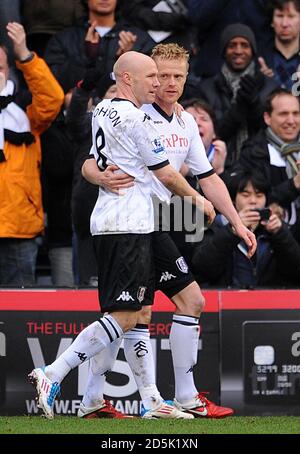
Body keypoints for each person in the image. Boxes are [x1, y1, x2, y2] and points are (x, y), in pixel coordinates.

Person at [28, 50, 219, 420]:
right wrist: (199, 201)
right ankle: (53, 373)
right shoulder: (138, 122)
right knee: (125, 314)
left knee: (140, 310)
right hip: (126, 224)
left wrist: (99, 173)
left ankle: (149, 400)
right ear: (128, 79)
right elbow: (165, 175)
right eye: (151, 76)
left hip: (132, 222)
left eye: (165, 76)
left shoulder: (103, 109)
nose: (158, 83)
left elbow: (89, 146)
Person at [78, 44, 256, 419]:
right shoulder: (132, 111)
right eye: (163, 75)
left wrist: (236, 221)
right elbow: (91, 161)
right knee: (134, 313)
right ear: (149, 76)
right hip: (134, 220)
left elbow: (208, 177)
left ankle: (164, 398)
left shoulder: (186, 122)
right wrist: (96, 174)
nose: (170, 83)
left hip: (165, 220)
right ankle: (113, 398)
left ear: (187, 76)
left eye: (178, 76)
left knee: (177, 304)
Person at [0, 22, 64, 287]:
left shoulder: (24, 111)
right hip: (19, 224)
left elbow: (52, 99)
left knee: (15, 315)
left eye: (0, 67)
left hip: (19, 226)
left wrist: (25, 54)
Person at [190, 170, 300, 288]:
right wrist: (232, 230)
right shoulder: (216, 226)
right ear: (232, 200)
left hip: (268, 300)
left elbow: (295, 272)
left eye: (259, 195)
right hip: (227, 298)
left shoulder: (276, 229)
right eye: (246, 195)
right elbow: (201, 269)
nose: (253, 201)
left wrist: (280, 234)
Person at [198, 23, 279, 168]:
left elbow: (274, 131)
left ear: (253, 50)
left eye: (245, 45)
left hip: (261, 165)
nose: (238, 51)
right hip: (219, 165)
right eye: (232, 45)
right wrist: (239, 108)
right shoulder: (206, 89)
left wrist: (254, 104)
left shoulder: (270, 87)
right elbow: (213, 133)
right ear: (224, 50)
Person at [44, 0, 155, 93]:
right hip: (77, 113)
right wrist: (85, 56)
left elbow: (152, 83)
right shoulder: (64, 38)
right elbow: (51, 85)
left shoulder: (139, 38)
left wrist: (127, 59)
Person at [258, 0, 300, 91]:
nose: (284, 24)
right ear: (272, 22)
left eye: (291, 16)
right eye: (279, 16)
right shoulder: (259, 56)